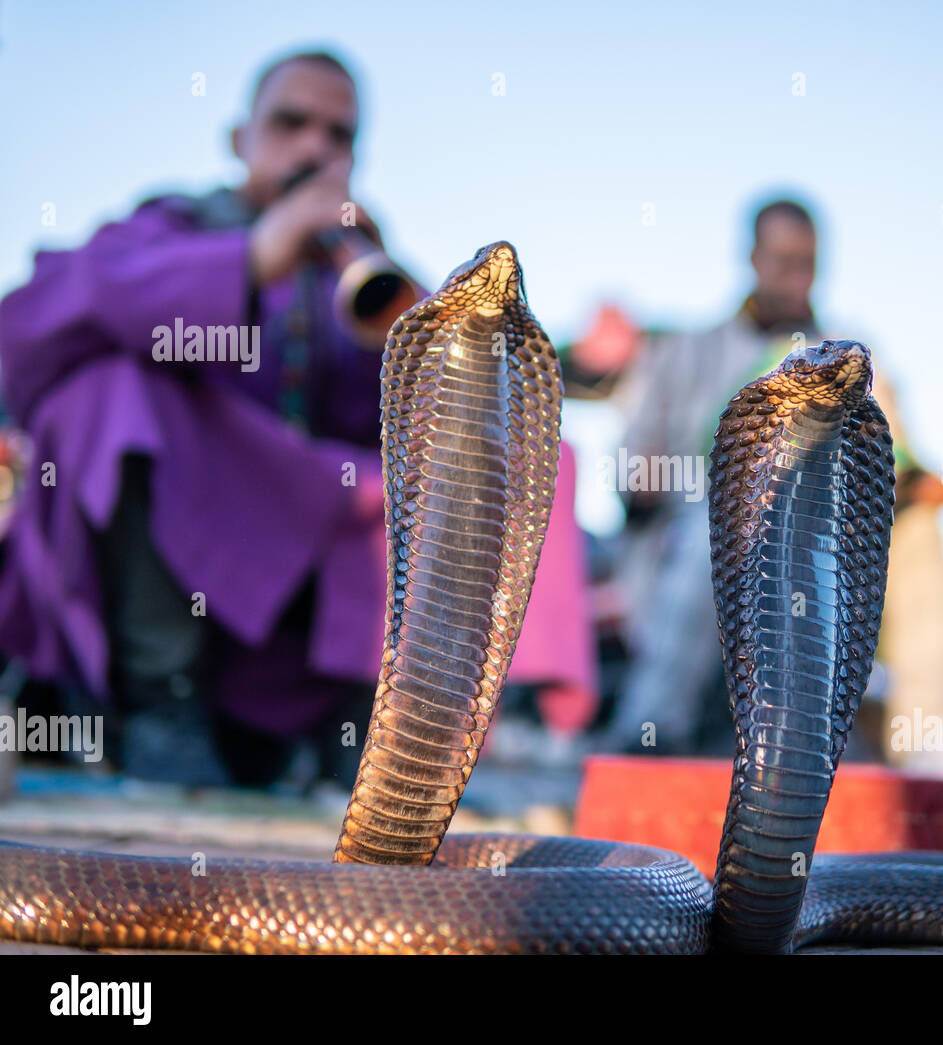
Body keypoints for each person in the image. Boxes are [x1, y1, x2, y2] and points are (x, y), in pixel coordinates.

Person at [0, 49, 597, 787]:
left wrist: (414, 327)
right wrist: (253, 257)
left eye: (338, 135)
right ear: (238, 140)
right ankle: (164, 703)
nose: (315, 147)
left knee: (513, 449)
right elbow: (31, 324)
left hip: (296, 589)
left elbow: (430, 434)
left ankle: (385, 732)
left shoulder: (355, 266)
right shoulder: (174, 225)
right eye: (290, 123)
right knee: (108, 395)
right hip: (191, 567)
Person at [601, 198, 943, 756]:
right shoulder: (684, 351)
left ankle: (916, 753)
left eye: (809, 261)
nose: (799, 275)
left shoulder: (851, 353)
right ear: (751, 258)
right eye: (784, 259)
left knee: (922, 540)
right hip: (701, 533)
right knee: (719, 525)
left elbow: (897, 460)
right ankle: (649, 732)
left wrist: (923, 485)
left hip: (822, 537)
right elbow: (631, 474)